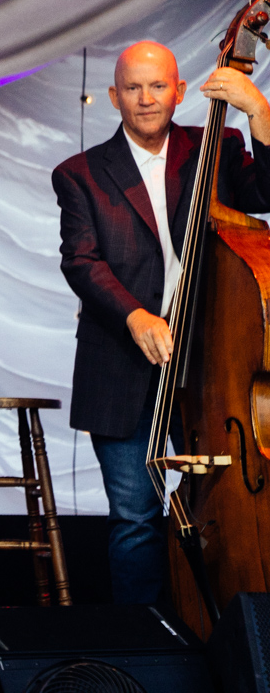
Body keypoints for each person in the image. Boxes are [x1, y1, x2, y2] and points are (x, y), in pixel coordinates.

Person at [52, 40, 270, 604]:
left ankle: (235, 640)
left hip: (210, 367)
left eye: (157, 86)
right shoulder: (79, 173)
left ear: (178, 90)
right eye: (132, 87)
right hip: (122, 366)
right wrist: (136, 315)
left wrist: (261, 112)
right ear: (112, 96)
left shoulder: (218, 145)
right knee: (134, 517)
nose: (146, 99)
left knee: (228, 509)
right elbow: (81, 258)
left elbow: (269, 194)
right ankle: (148, 654)